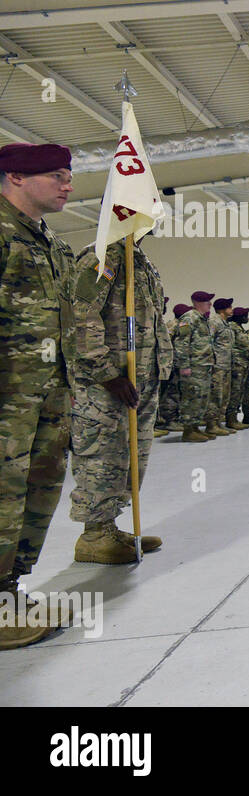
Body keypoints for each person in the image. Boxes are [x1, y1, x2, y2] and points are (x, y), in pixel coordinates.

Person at [0, 142, 76, 648]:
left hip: (46, 396)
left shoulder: (48, 240)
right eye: (57, 176)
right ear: (16, 178)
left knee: (38, 491)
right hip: (8, 400)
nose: (68, 185)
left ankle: (9, 590)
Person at [67, 236, 169, 563]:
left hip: (139, 378)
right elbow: (81, 313)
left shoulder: (140, 260)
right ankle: (94, 535)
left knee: (131, 455)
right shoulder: (103, 256)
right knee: (103, 452)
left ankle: (110, 526)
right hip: (108, 382)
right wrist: (106, 372)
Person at [173, 291, 216, 442]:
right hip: (194, 366)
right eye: (207, 302)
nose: (210, 304)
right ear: (197, 303)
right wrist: (184, 365)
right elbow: (181, 343)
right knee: (191, 397)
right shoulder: (189, 318)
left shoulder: (202, 319)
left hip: (203, 365)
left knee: (201, 398)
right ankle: (188, 431)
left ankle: (195, 427)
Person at [204, 297, 237, 437]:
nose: (232, 309)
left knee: (224, 396)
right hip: (217, 366)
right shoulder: (214, 322)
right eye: (230, 307)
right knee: (215, 396)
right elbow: (208, 342)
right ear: (222, 309)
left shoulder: (226, 324)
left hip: (225, 365)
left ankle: (218, 423)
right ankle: (211, 425)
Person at [157, 302, 188, 433]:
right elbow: (166, 344)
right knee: (171, 393)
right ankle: (169, 420)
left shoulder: (177, 325)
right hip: (171, 364)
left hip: (175, 364)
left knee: (175, 392)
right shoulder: (174, 325)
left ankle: (171, 419)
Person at [225, 307, 249, 431]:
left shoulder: (239, 328)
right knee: (234, 392)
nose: (247, 318)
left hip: (242, 364)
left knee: (239, 391)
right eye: (245, 315)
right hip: (236, 364)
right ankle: (231, 419)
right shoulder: (232, 327)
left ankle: (234, 418)